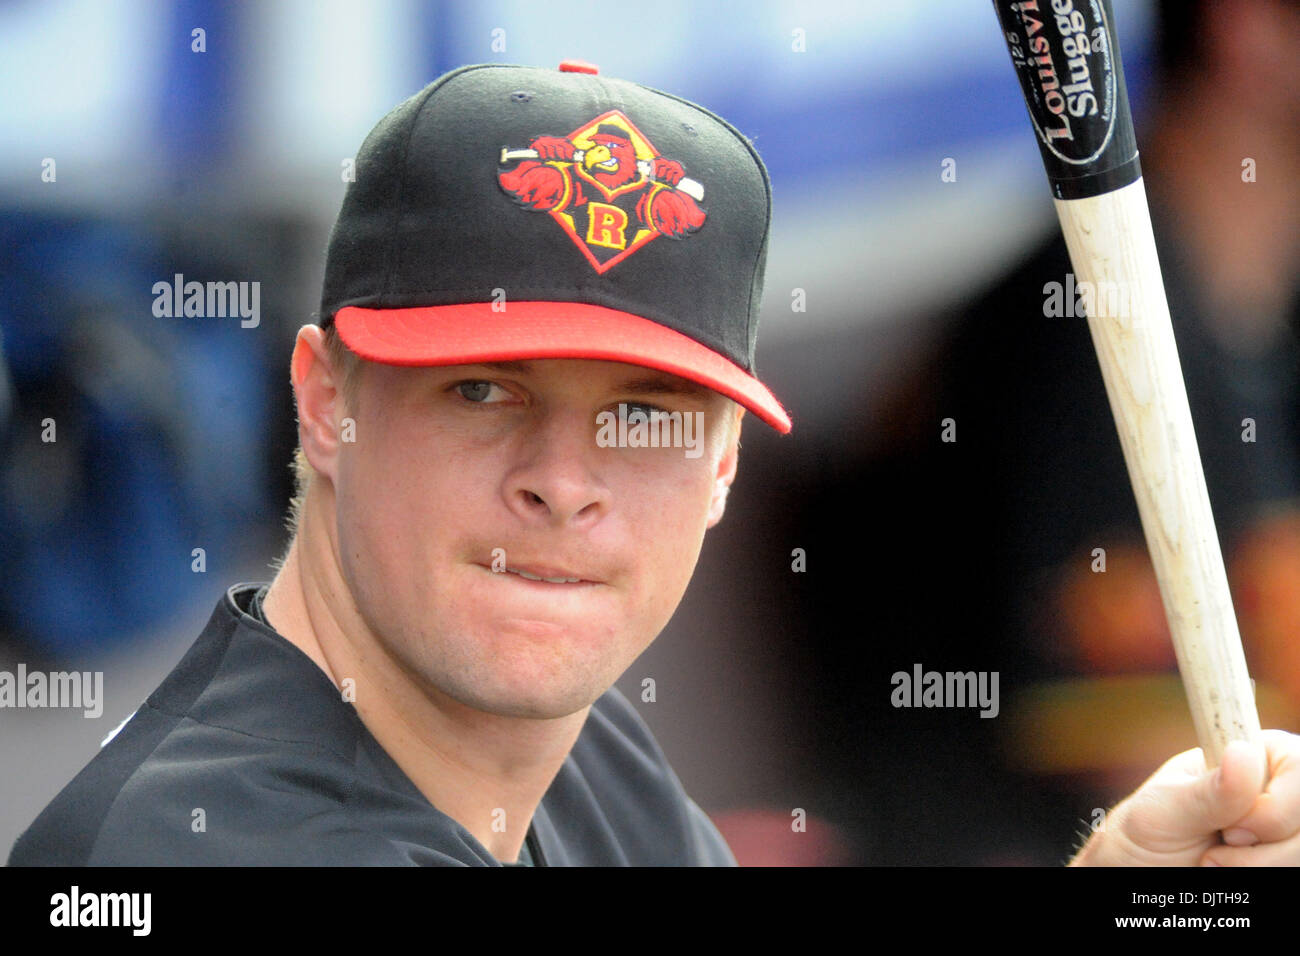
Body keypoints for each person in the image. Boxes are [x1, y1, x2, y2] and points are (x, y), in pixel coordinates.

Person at [9, 60, 1300, 868]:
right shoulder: (215, 849)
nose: (565, 480)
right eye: (480, 390)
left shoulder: (571, 752)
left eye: (646, 413)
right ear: (324, 402)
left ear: (727, 460)